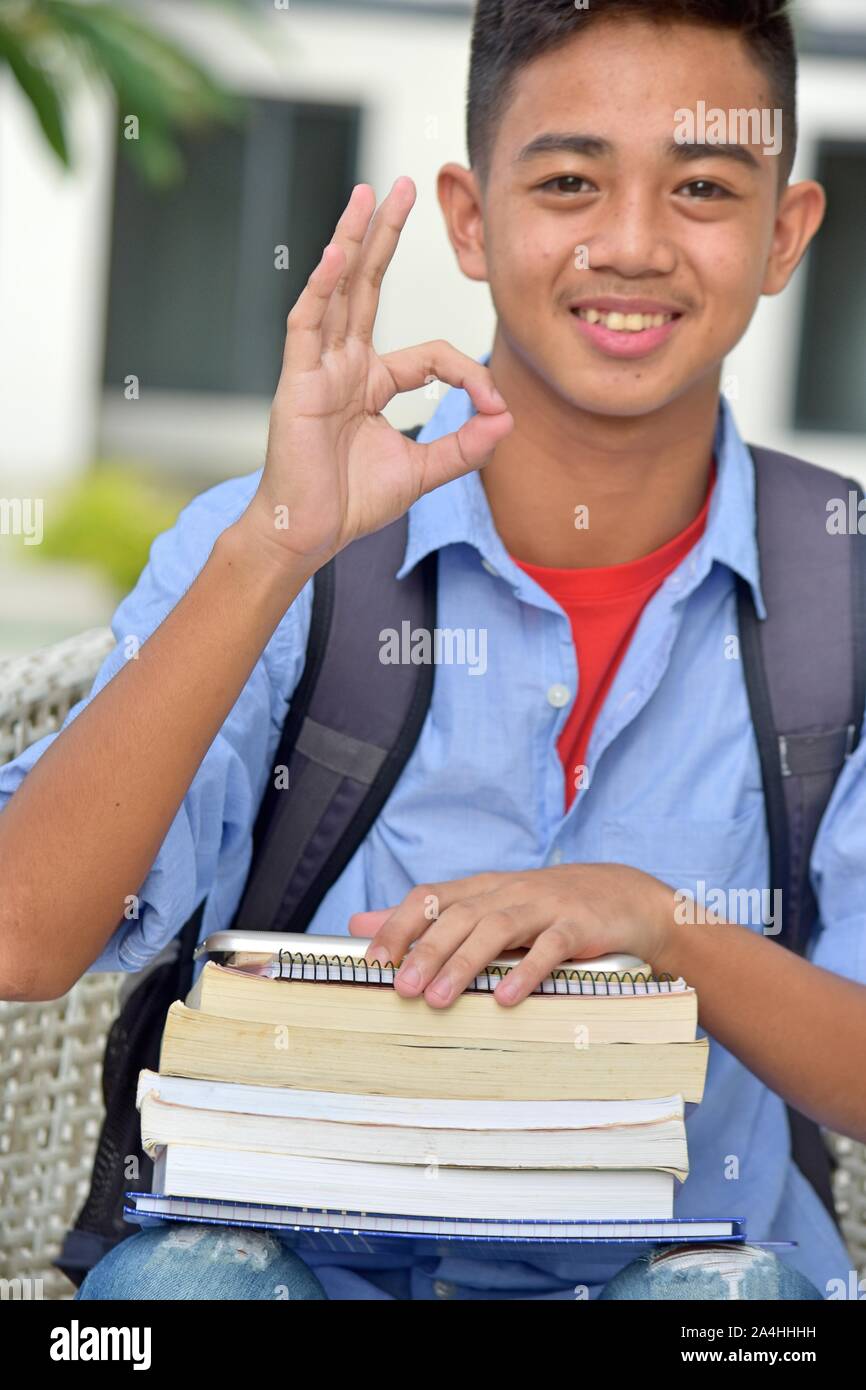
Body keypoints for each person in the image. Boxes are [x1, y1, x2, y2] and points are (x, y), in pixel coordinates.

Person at [1, 0, 864, 1301]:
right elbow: (21, 941)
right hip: (279, 1265)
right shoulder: (278, 541)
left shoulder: (844, 582)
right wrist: (267, 551)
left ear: (782, 232)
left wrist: (657, 922)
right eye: (568, 181)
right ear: (470, 218)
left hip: (690, 1272)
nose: (630, 245)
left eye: (699, 186)